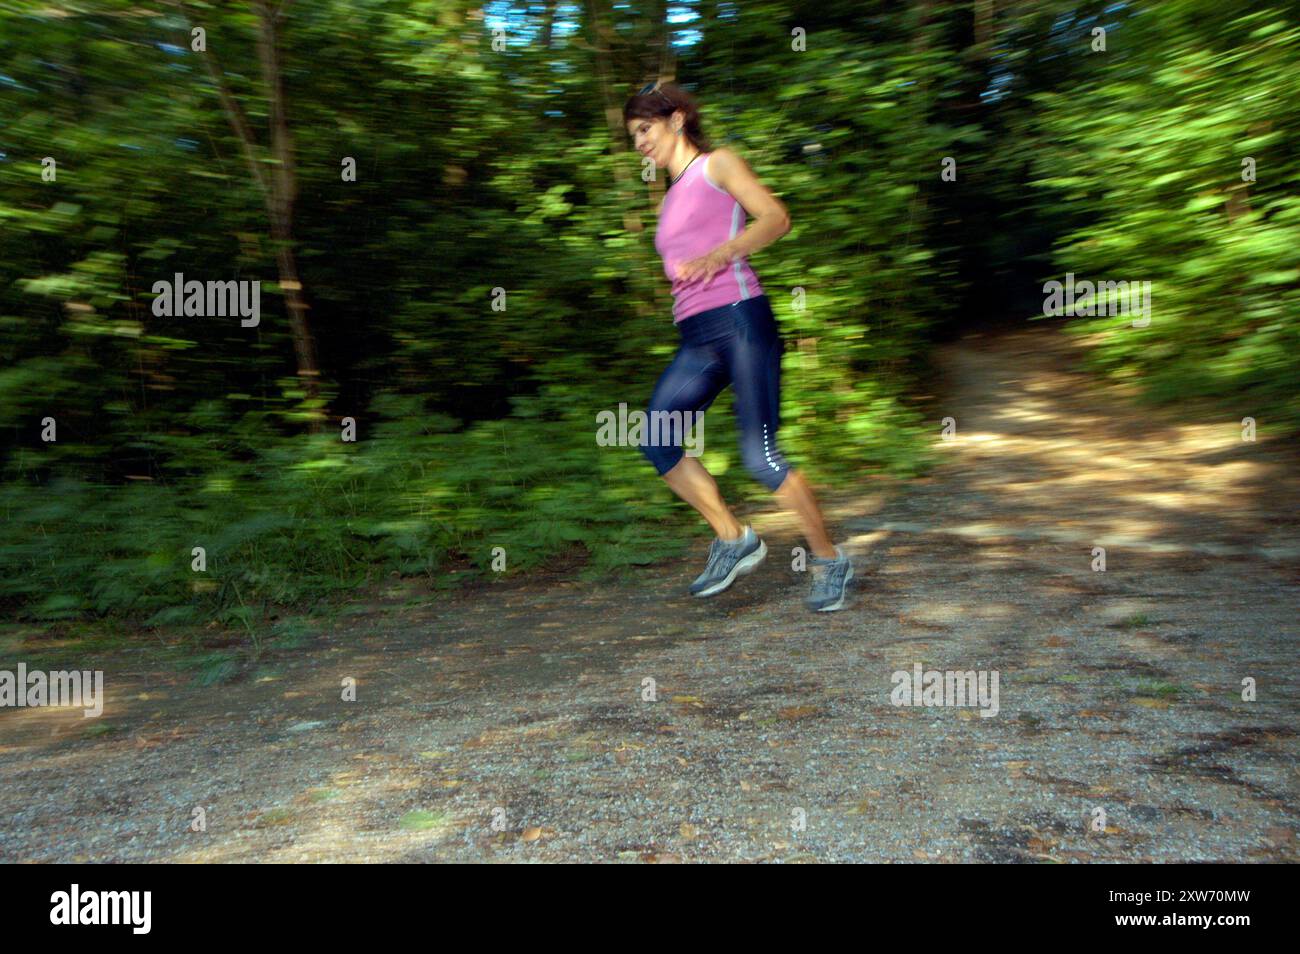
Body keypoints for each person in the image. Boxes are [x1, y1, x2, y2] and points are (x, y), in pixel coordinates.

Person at [623, 81, 853, 612]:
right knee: (657, 439)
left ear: (677, 120)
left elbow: (776, 218)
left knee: (760, 455)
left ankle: (829, 559)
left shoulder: (717, 165)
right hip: (697, 335)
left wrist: (720, 255)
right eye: (633, 135)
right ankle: (733, 538)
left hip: (742, 322)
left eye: (645, 129)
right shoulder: (668, 195)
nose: (639, 143)